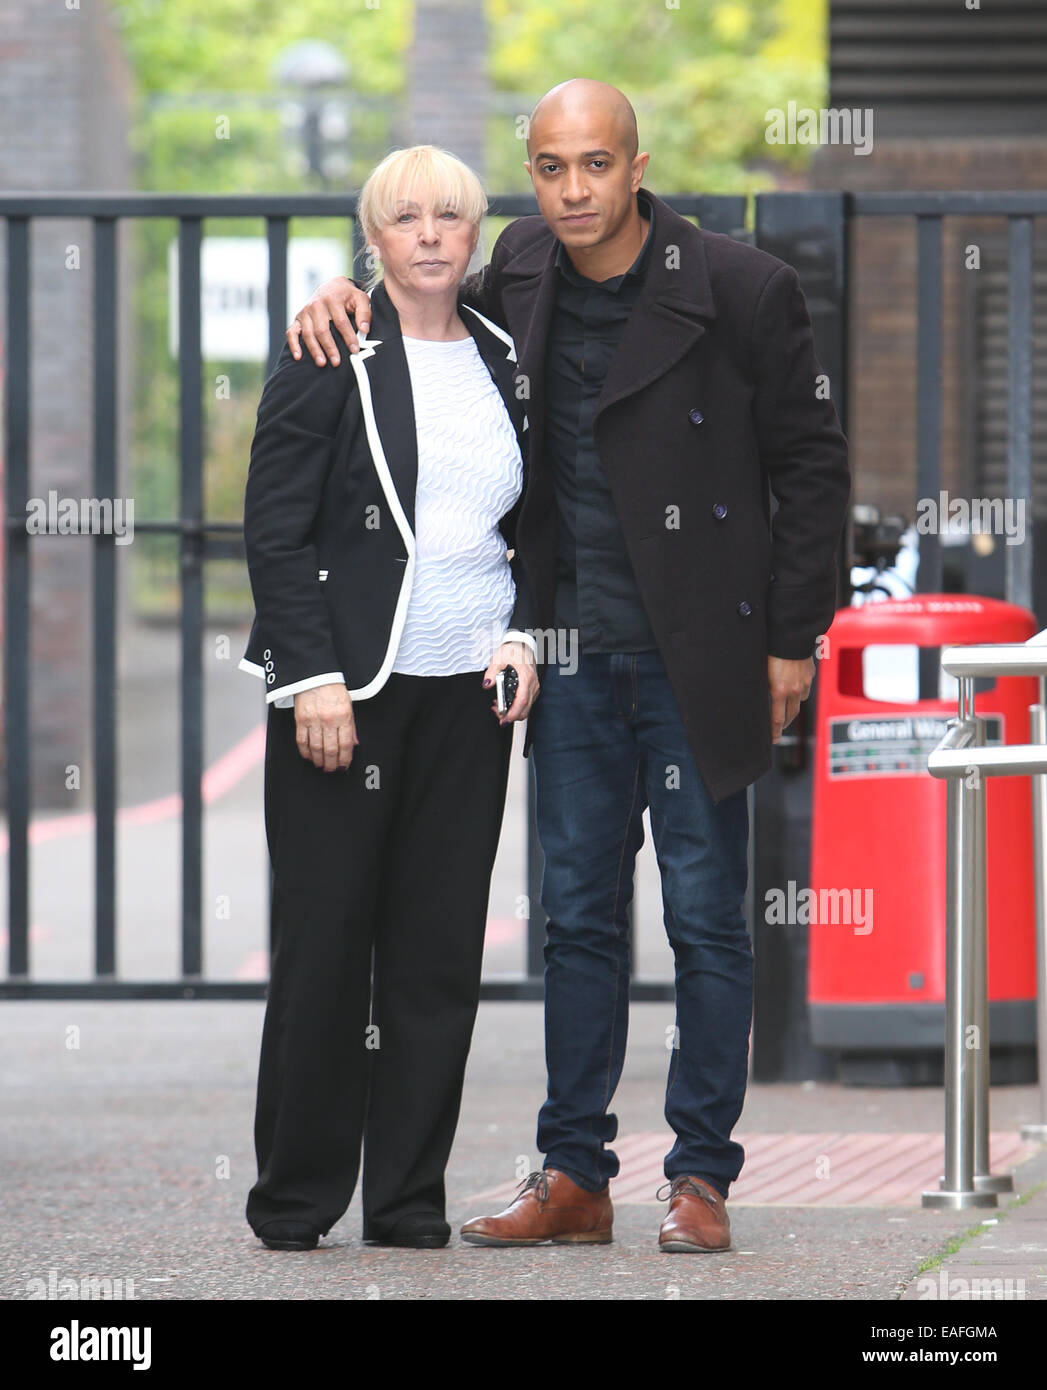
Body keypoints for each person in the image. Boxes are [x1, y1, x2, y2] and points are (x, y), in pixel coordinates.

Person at [287, 79, 851, 1253]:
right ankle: (576, 1173)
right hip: (571, 659)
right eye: (551, 167)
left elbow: (811, 472)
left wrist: (792, 639)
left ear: (638, 166)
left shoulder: (744, 287)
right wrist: (341, 285)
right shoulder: (520, 275)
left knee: (706, 921)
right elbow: (417, 291)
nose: (575, 188)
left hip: (704, 659)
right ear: (533, 176)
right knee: (579, 922)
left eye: (597, 164)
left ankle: (700, 1178)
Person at [240, 144, 540, 1252]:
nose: (429, 234)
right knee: (326, 945)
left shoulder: (511, 353)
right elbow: (273, 526)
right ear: (373, 235)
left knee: (436, 951)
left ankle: (407, 1201)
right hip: (346, 696)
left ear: (474, 234)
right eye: (406, 217)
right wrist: (310, 676)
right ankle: (294, 1200)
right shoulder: (332, 347)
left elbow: (533, 523)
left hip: (470, 696)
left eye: (450, 216)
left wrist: (522, 633)